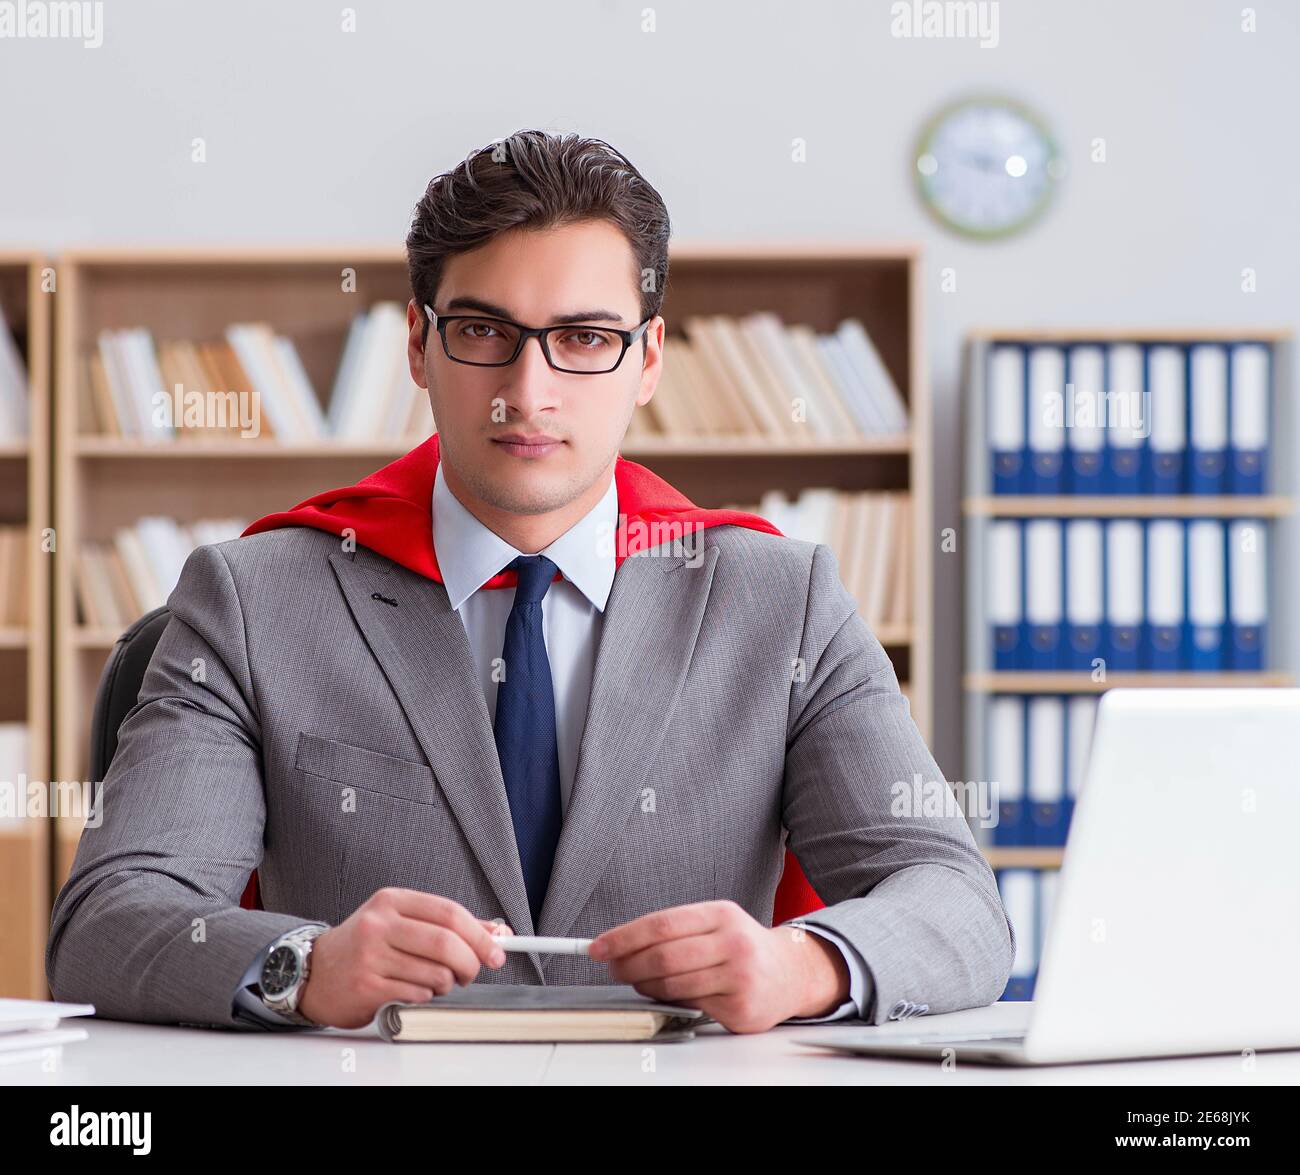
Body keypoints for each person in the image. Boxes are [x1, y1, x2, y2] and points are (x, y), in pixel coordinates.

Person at [47, 129, 1013, 1034]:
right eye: (483, 331)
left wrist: (802, 967)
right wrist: (305, 967)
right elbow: (110, 918)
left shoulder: (782, 603)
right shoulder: (256, 599)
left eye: (585, 338)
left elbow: (956, 904)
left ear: (648, 360)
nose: (530, 390)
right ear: (419, 345)